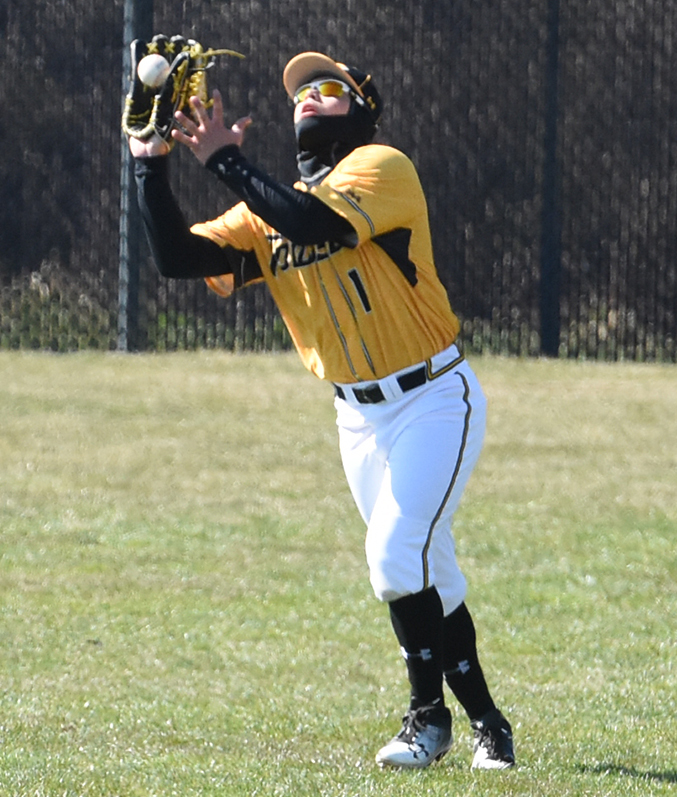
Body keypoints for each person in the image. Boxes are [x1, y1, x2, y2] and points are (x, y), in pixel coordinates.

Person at [126, 50, 515, 771]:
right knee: (431, 573)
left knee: (394, 558)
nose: (308, 97)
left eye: (328, 88)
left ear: (362, 111)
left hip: (432, 396)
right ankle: (490, 722)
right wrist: (150, 161)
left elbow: (317, 223)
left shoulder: (382, 168)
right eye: (301, 92)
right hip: (357, 419)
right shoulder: (264, 212)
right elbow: (179, 257)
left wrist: (224, 160)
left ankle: (427, 721)